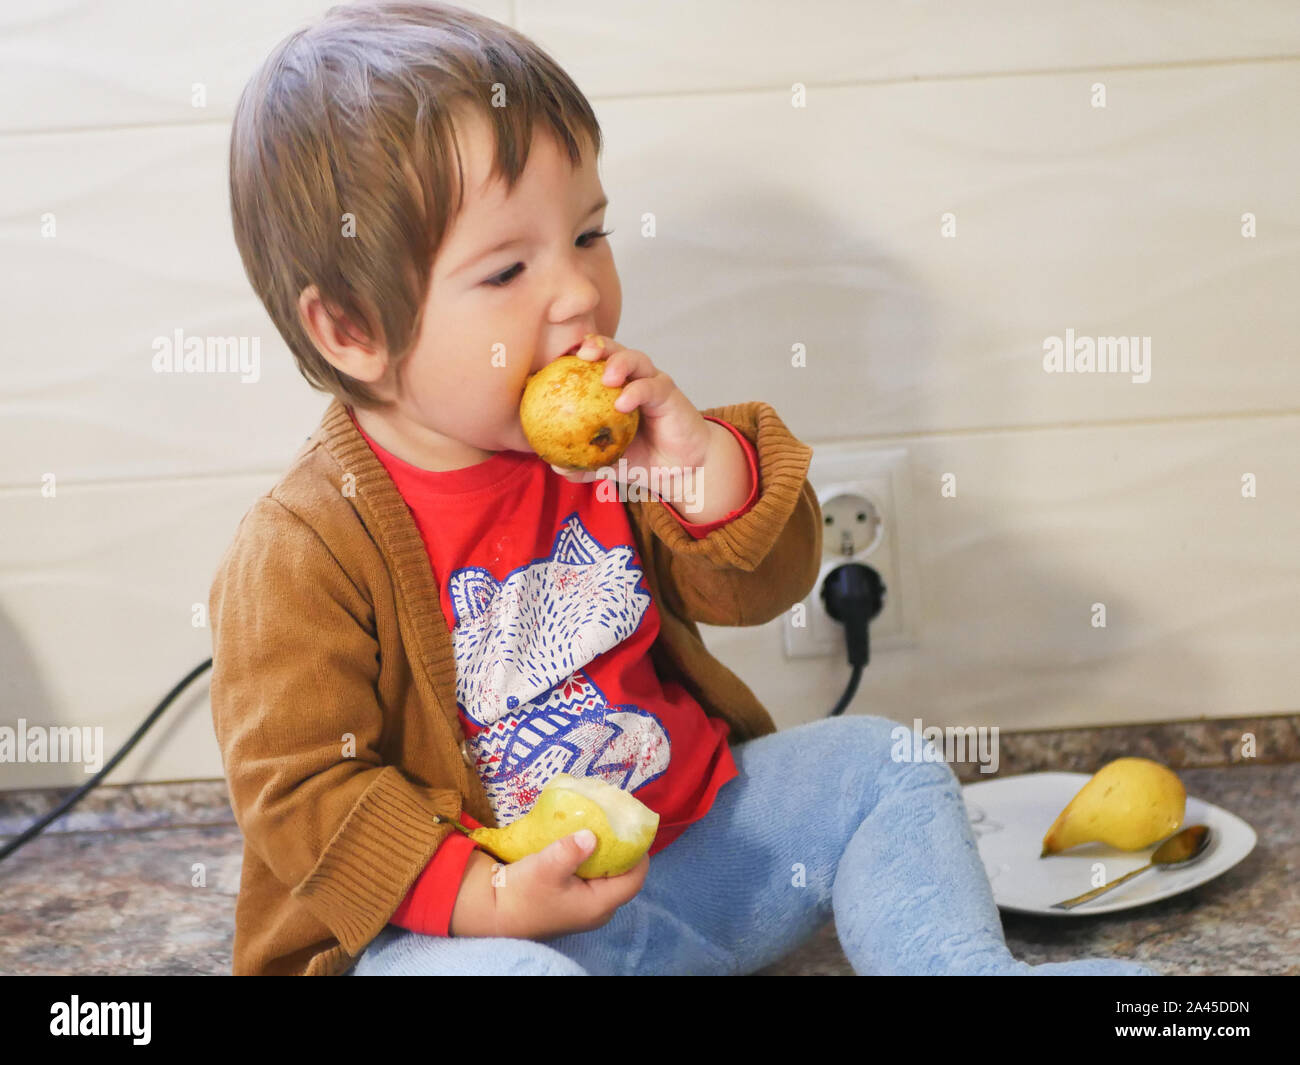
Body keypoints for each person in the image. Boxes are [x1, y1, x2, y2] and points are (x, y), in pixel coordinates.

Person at [209, 0, 1157, 977]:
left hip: (691, 872)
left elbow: (751, 589)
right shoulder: (301, 548)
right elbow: (300, 789)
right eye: (506, 270)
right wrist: (483, 895)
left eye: (589, 235)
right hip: (461, 932)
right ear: (352, 329)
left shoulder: (611, 444)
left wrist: (697, 466)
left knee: (880, 762)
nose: (578, 292)